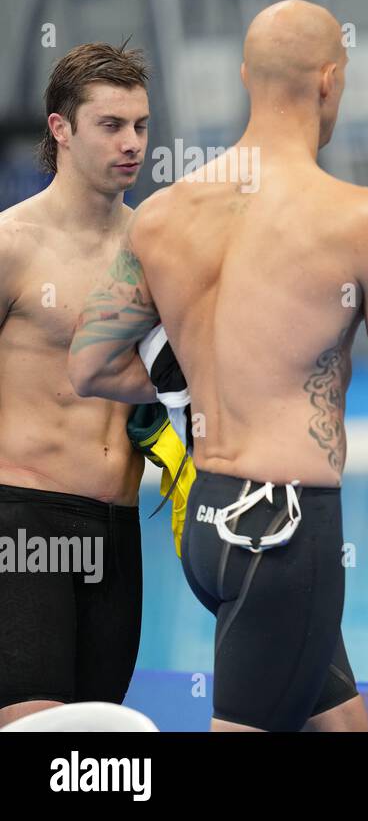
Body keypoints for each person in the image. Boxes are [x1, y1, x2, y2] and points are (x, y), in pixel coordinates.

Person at [69, 0, 368, 732]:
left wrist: (192, 389)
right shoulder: (360, 218)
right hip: (283, 532)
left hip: (209, 524)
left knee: (342, 725)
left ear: (246, 77)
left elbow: (89, 364)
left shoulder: (162, 214)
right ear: (331, 81)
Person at [0, 42, 155, 727]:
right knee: (38, 731)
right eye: (111, 126)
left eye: (142, 127)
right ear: (61, 130)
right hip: (24, 520)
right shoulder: (13, 245)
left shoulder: (157, 246)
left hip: (116, 529)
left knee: (95, 742)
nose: (132, 144)